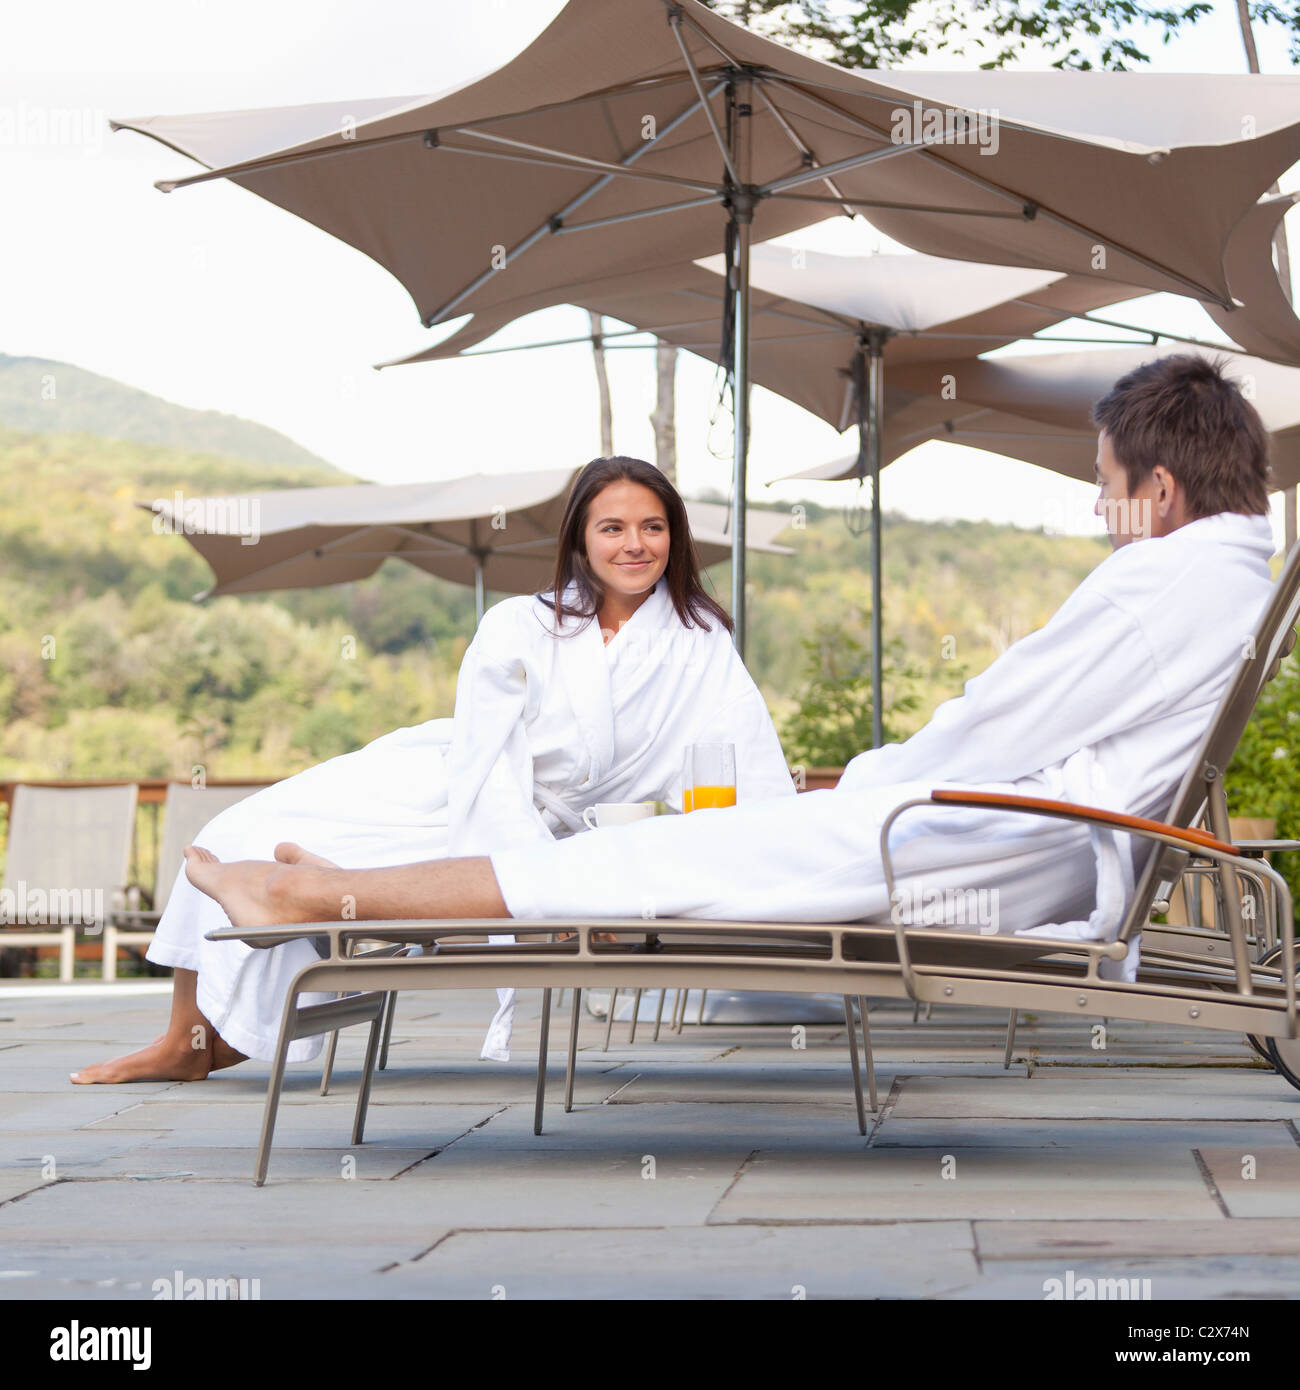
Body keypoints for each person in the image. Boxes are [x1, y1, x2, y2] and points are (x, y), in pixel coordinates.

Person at [174, 355, 1279, 981]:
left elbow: (1003, 720)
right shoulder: (1224, 579)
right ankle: (328, 887)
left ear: (1162, 489)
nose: (1098, 506)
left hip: (976, 838)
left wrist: (871, 778)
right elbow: (1032, 722)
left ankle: (317, 890)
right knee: (659, 854)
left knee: (643, 864)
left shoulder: (1159, 581)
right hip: (1020, 836)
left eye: (1104, 482)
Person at [70, 458, 795, 1083]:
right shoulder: (520, 623)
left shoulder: (700, 645)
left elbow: (741, 762)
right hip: (457, 784)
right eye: (613, 528)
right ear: (580, 539)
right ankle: (183, 1041)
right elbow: (487, 757)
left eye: (652, 527)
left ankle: (316, 900)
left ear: (675, 537)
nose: (634, 544)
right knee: (233, 830)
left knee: (313, 867)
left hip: (562, 830)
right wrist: (525, 863)